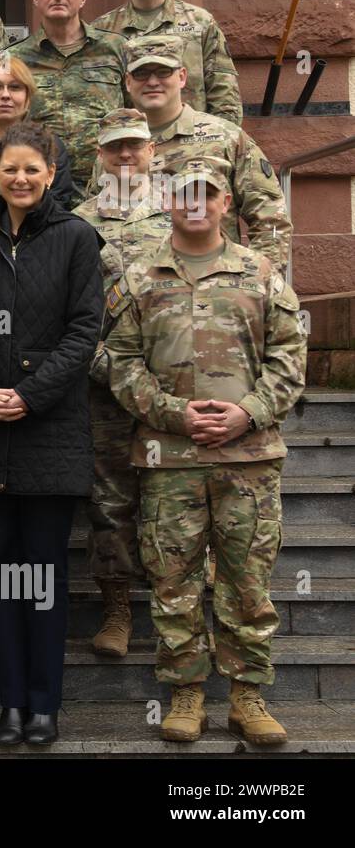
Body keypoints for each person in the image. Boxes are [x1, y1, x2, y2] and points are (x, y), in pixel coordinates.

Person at [104, 155, 307, 745]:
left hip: (249, 460)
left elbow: (289, 359)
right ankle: (186, 693)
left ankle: (247, 696)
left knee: (248, 581)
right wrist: (172, 413)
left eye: (208, 193)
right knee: (173, 581)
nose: (195, 202)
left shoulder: (263, 272)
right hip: (171, 459)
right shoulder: (140, 277)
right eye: (184, 192)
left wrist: (248, 412)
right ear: (168, 201)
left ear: (225, 204)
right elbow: (117, 360)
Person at [0, 121, 103, 746]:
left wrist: (30, 396)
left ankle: (45, 705)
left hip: (49, 433)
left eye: (33, 168)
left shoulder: (76, 238)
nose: (21, 178)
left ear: (51, 171)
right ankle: (10, 704)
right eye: (11, 167)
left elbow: (85, 330)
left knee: (43, 573)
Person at [73, 108, 172, 658]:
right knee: (109, 499)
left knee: (170, 497)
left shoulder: (183, 211)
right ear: (100, 156)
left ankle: (172, 604)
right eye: (116, 148)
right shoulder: (78, 222)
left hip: (172, 382)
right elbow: (70, 309)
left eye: (136, 146)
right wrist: (104, 364)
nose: (127, 156)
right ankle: (116, 608)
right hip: (106, 384)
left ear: (153, 151)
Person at [125, 34, 291, 272]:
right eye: (142, 73)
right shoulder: (115, 148)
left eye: (163, 72)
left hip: (214, 291)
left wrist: (256, 285)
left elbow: (271, 220)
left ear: (181, 77)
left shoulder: (226, 138)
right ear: (129, 82)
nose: (152, 82)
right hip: (140, 297)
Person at [92, 0, 242, 124]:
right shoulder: (103, 31)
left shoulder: (200, 23)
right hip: (130, 147)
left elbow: (224, 93)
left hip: (191, 143)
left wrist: (219, 143)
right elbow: (95, 102)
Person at [9, 0, 127, 193]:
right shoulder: (14, 58)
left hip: (109, 185)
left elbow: (138, 110)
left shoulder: (116, 48)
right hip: (41, 189)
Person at [0, 55, 76, 208]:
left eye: (15, 87)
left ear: (28, 98)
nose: (5, 95)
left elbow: (59, 203)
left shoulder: (51, 146)